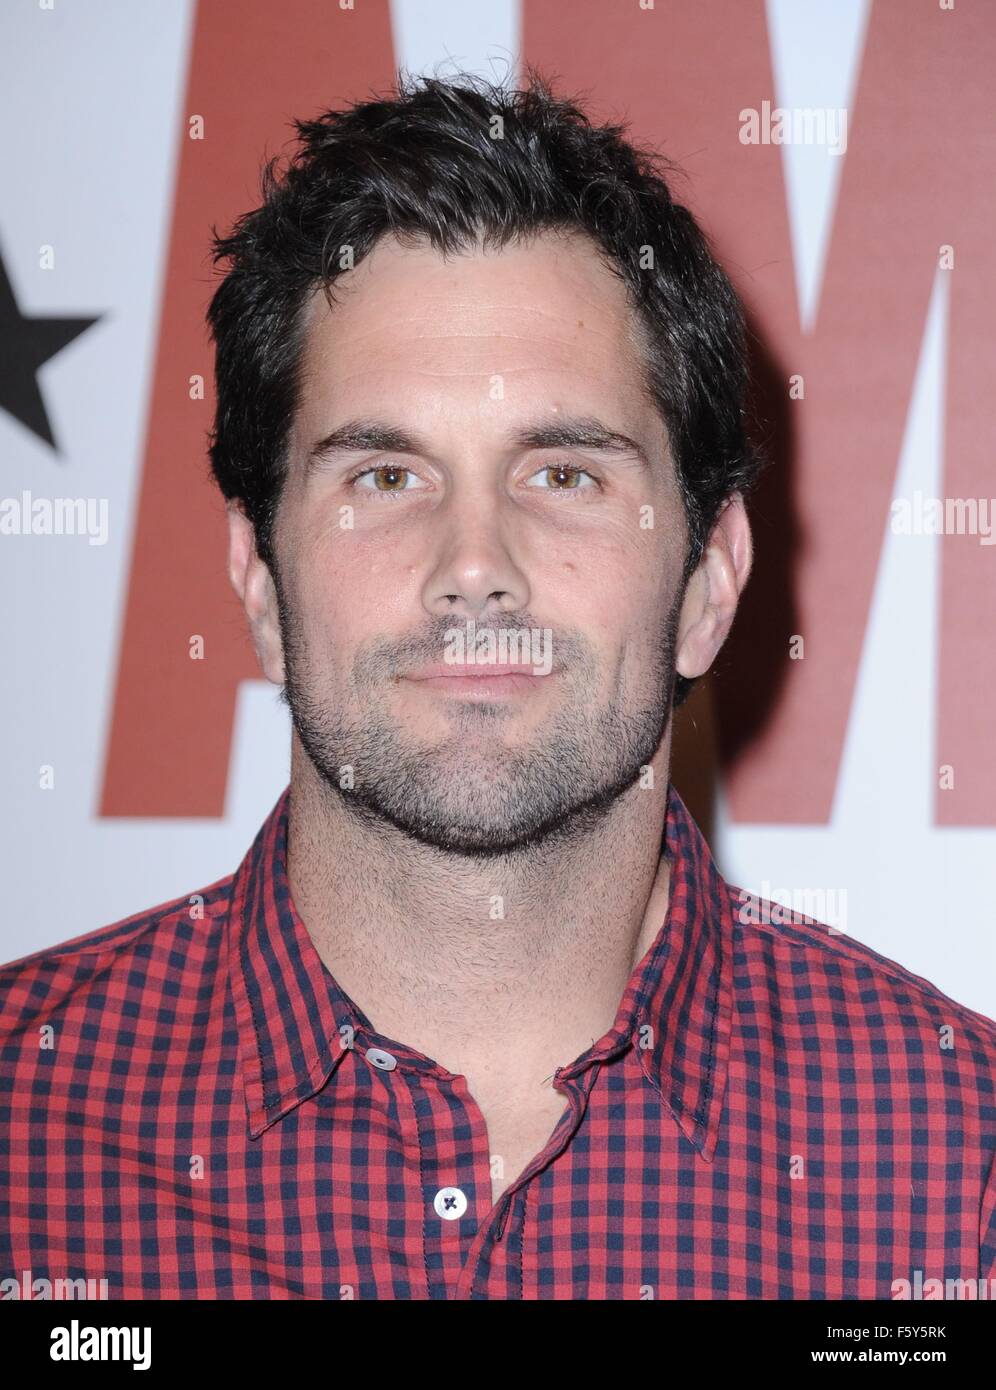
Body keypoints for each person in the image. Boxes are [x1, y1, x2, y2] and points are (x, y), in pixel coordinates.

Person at [2, 70, 994, 1301]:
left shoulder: (962, 1172)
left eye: (564, 474)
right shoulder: (22, 1127)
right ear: (259, 584)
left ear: (707, 581)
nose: (474, 569)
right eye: (385, 476)